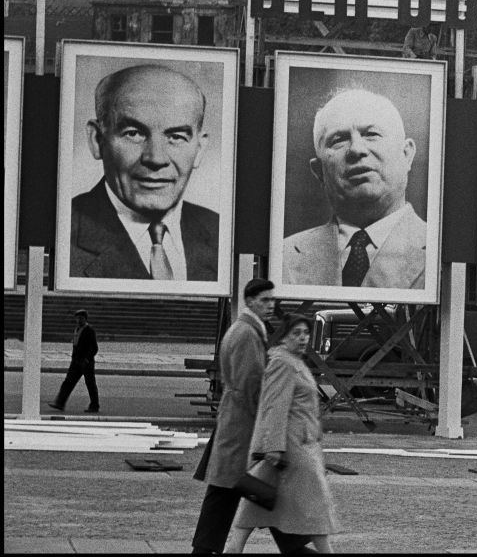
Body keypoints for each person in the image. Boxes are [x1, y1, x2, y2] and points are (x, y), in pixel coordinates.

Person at [191, 279, 313, 554]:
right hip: (244, 429)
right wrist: (271, 431)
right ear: (249, 301)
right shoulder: (247, 333)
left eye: (272, 300)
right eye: (264, 300)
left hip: (235, 427)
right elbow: (253, 386)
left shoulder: (245, 329)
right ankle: (294, 547)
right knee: (251, 490)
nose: (270, 305)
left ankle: (206, 550)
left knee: (230, 493)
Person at [69, 64, 219, 281]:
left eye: (176, 137)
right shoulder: (62, 233)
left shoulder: (220, 233)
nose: (156, 158)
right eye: (134, 133)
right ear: (97, 140)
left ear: (199, 149)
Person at [282, 88, 427, 289]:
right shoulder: (282, 257)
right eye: (338, 140)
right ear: (319, 171)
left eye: (371, 134)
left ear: (407, 154)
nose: (357, 149)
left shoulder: (441, 253)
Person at [225, 313, 341, 553]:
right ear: (284, 336)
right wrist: (274, 447)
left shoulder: (295, 362)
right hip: (293, 448)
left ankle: (233, 549)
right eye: (296, 333)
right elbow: (274, 406)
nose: (302, 338)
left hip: (299, 445)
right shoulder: (283, 363)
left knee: (257, 506)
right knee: (314, 507)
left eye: (306, 333)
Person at [47, 309, 99, 413]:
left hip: (86, 363)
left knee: (90, 384)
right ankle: (60, 403)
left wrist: (86, 359)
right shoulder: (77, 329)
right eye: (77, 318)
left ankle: (94, 405)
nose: (79, 320)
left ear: (85, 319)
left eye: (81, 318)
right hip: (76, 361)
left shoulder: (89, 330)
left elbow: (94, 348)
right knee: (68, 382)